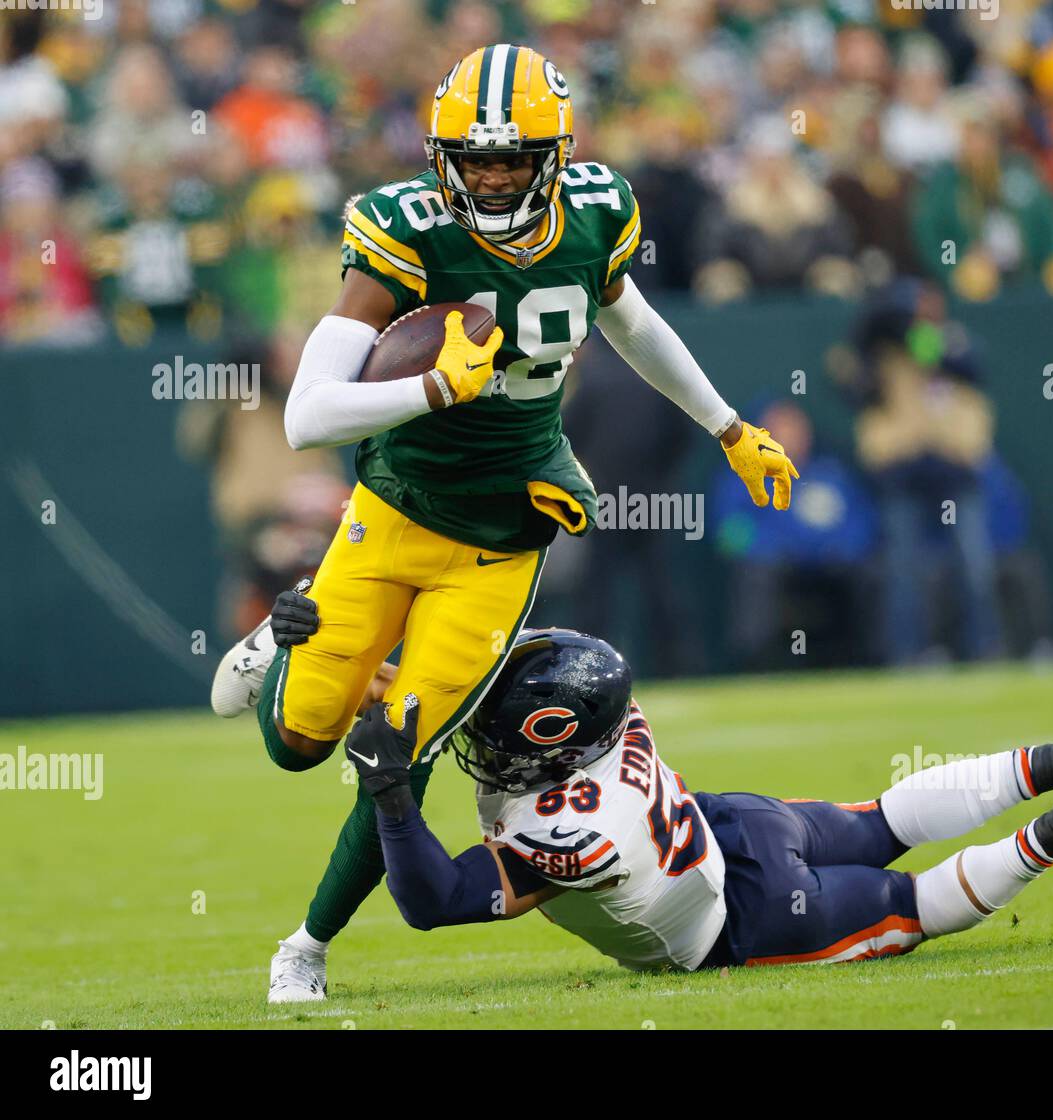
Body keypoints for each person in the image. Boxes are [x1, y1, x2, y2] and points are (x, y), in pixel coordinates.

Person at [206, 44, 799, 1002]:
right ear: (439, 153)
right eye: (470, 157)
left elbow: (632, 321)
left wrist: (728, 428)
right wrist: (432, 387)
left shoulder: (600, 210)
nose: (486, 175)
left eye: (509, 158)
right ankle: (275, 649)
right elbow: (306, 415)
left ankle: (306, 947)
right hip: (394, 509)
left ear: (552, 156)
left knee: (398, 752)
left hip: (501, 532)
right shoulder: (405, 229)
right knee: (296, 740)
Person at [273, 599, 1053, 976]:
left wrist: (393, 801)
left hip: (747, 921)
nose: (472, 735)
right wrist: (318, 644)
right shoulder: (605, 702)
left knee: (913, 907)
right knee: (886, 817)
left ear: (545, 741)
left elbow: (435, 903)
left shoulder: (569, 829)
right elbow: (447, 688)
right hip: (739, 823)